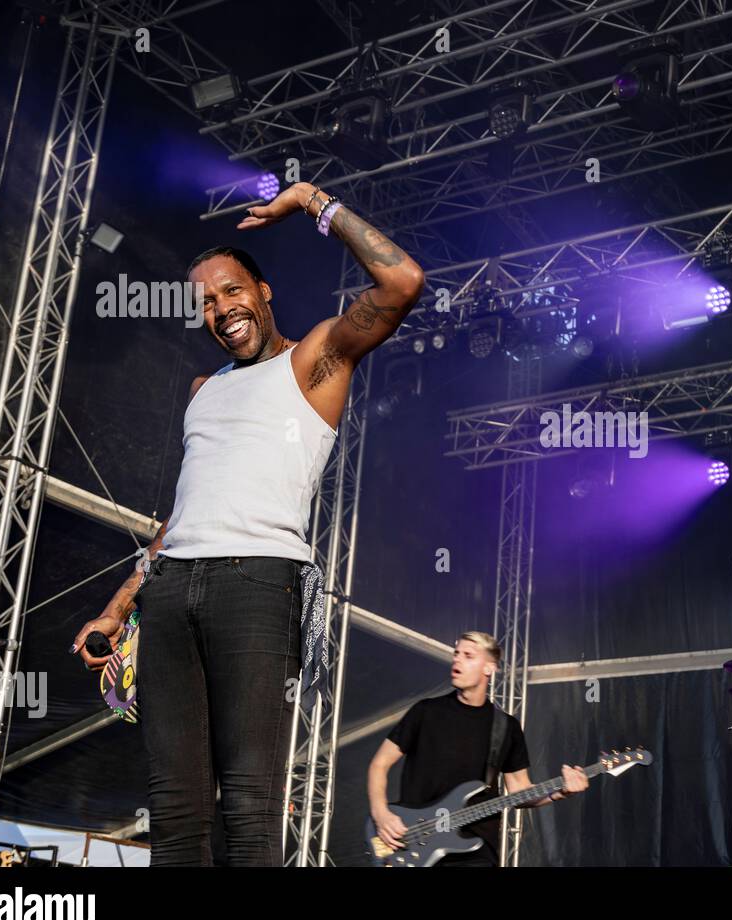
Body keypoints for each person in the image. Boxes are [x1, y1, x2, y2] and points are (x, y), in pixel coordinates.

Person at [70, 182, 424, 865]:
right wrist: (117, 610)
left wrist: (311, 202)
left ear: (263, 292)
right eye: (205, 301)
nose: (219, 309)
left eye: (231, 290)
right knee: (174, 807)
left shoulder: (315, 359)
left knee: (251, 805)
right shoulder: (204, 392)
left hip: (258, 585)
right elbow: (185, 514)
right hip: (172, 594)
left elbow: (402, 280)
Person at [367, 631, 589, 867]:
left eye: (468, 655)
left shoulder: (505, 727)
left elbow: (520, 790)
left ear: (488, 668)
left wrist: (560, 791)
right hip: (414, 842)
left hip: (476, 852)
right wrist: (381, 813)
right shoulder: (426, 712)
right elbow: (379, 765)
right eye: (456, 654)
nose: (457, 660)